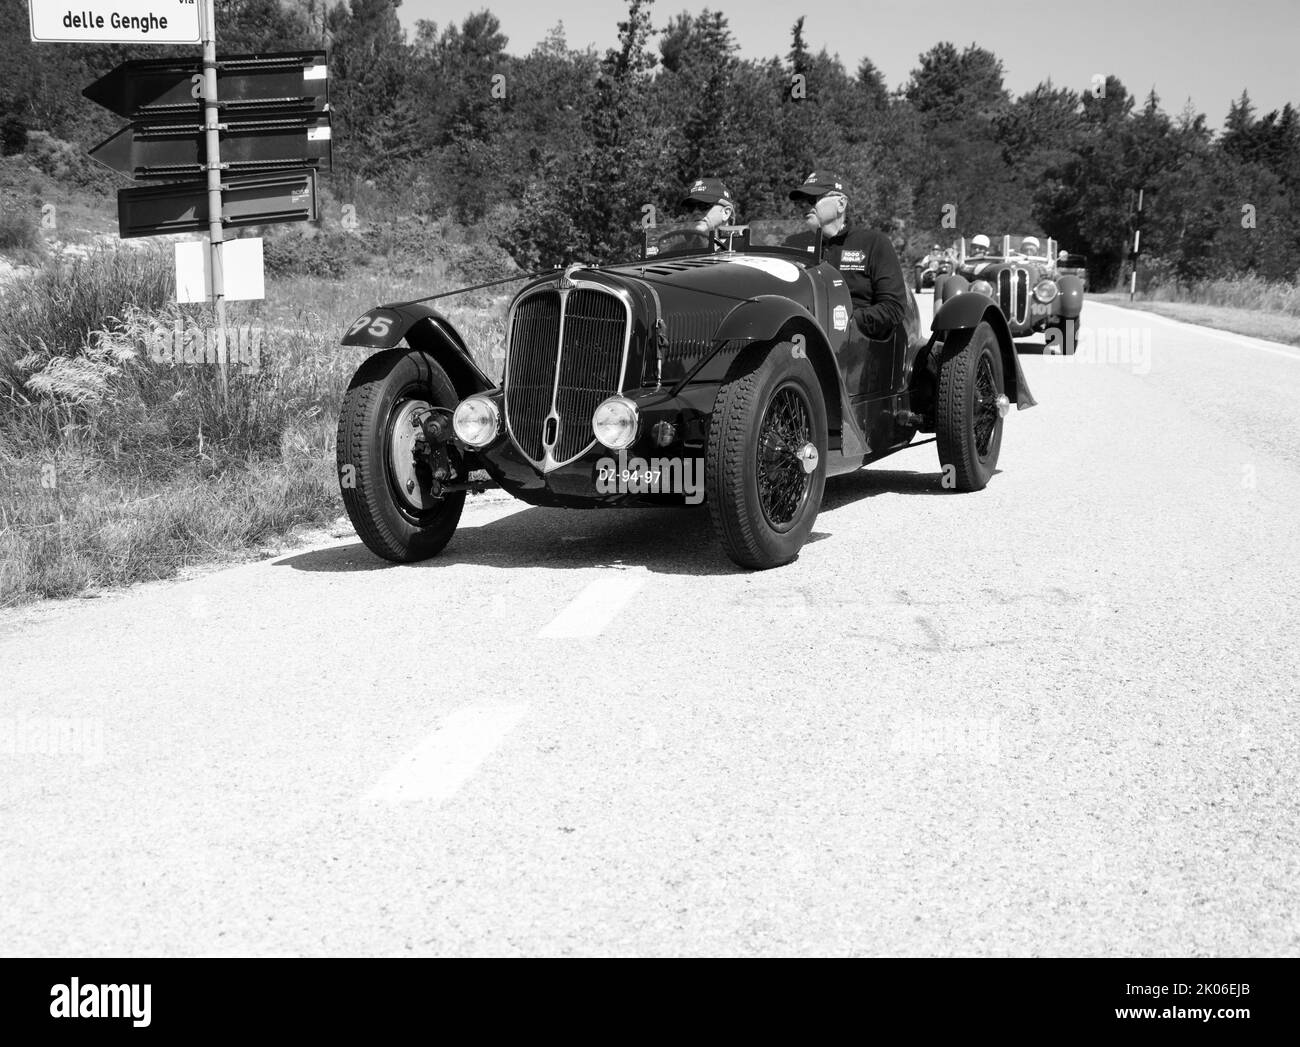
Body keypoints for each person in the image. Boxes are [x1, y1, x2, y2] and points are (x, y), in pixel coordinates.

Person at [782, 170, 907, 341]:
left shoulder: (873, 243)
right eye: (802, 202)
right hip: (797, 339)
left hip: (856, 347)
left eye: (813, 200)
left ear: (841, 204)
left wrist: (850, 321)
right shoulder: (792, 245)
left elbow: (894, 308)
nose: (805, 207)